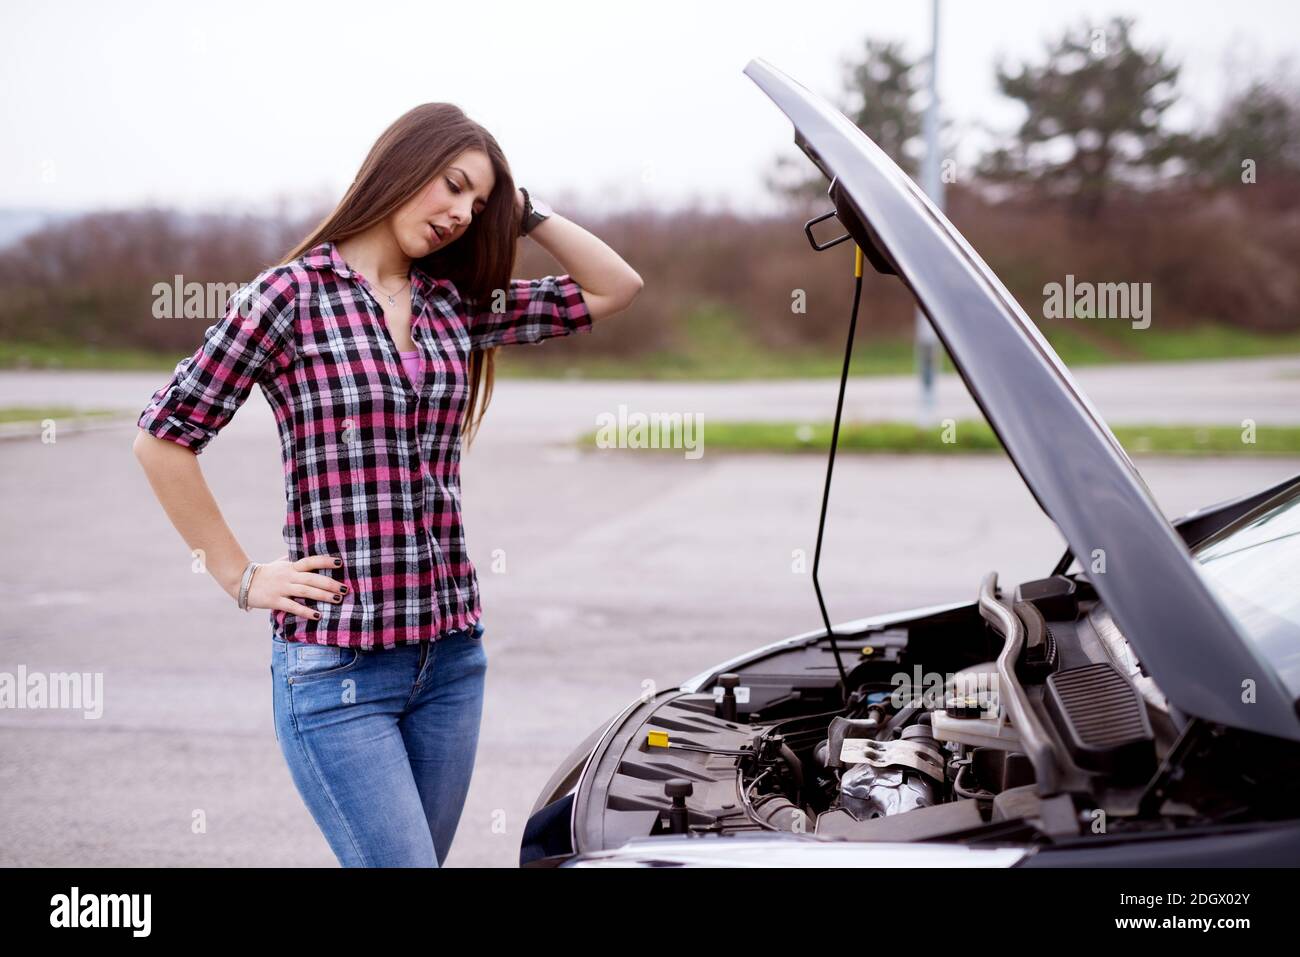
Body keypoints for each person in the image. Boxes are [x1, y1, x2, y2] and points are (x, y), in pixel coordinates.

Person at [131, 102, 643, 866]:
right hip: (341, 667)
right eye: (453, 185)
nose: (461, 215)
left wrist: (523, 210)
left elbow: (614, 286)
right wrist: (240, 577)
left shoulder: (454, 305)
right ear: (402, 165)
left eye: (476, 205)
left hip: (451, 660)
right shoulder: (289, 296)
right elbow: (164, 436)